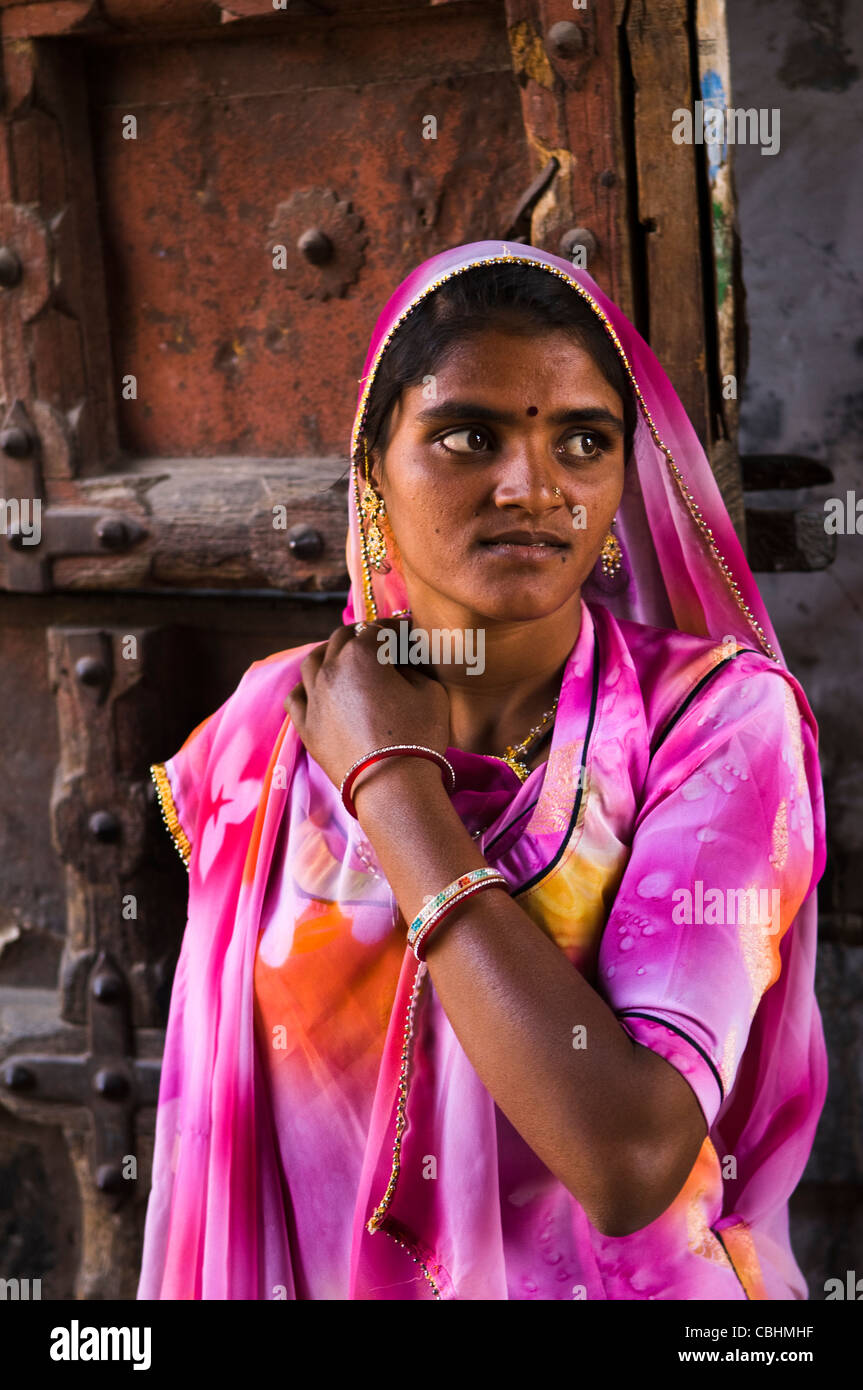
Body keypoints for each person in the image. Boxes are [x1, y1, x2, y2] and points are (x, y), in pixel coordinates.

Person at [138, 240, 826, 1301]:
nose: (530, 486)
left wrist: (396, 789)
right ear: (373, 464)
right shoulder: (266, 728)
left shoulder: (714, 721)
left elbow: (626, 1161)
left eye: (582, 441)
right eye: (469, 434)